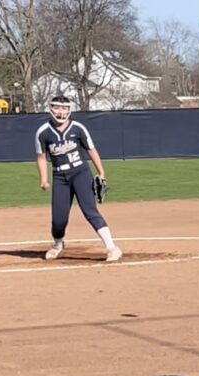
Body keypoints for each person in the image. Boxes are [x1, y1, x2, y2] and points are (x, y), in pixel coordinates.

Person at [35, 95, 122, 262]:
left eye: (64, 108)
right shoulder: (43, 132)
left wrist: (101, 172)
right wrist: (44, 180)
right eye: (57, 107)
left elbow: (91, 150)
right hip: (60, 177)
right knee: (58, 219)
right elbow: (41, 157)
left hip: (80, 173)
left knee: (90, 211)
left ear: (69, 110)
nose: (61, 111)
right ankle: (58, 245)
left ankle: (112, 248)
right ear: (51, 109)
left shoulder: (78, 128)